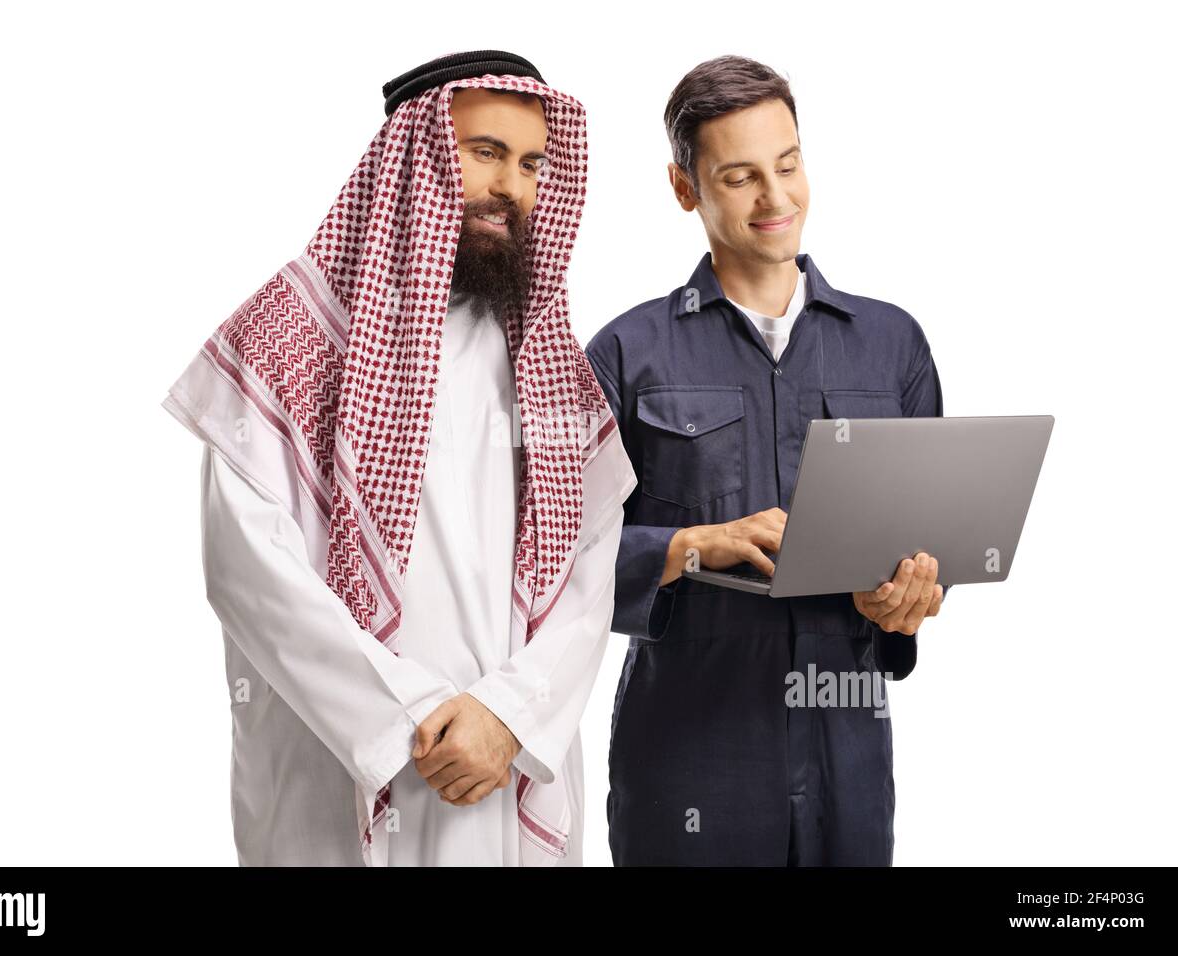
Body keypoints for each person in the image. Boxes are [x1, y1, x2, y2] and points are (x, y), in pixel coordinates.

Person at [161, 50, 634, 866]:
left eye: (531, 165)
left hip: (508, 772)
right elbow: (246, 573)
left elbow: (591, 576)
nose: (513, 186)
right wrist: (412, 717)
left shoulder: (551, 364)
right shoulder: (290, 341)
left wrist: (509, 715)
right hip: (343, 786)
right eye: (485, 151)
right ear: (412, 158)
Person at [584, 55, 948, 866]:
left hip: (847, 762)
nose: (777, 199)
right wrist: (686, 548)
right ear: (685, 188)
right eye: (742, 176)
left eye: (787, 166)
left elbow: (931, 552)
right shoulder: (626, 352)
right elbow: (553, 565)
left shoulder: (892, 347)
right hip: (687, 763)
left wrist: (908, 598)